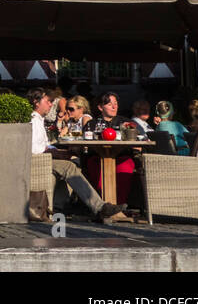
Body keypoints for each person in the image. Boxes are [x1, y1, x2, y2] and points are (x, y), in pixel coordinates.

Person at [26, 88, 129, 224]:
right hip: (37, 160)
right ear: (36, 102)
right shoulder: (33, 120)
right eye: (48, 101)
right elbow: (36, 149)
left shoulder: (39, 119)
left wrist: (60, 152)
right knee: (69, 166)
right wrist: (58, 153)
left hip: (42, 158)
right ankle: (100, 207)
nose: (51, 105)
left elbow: (45, 145)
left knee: (72, 164)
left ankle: (59, 207)